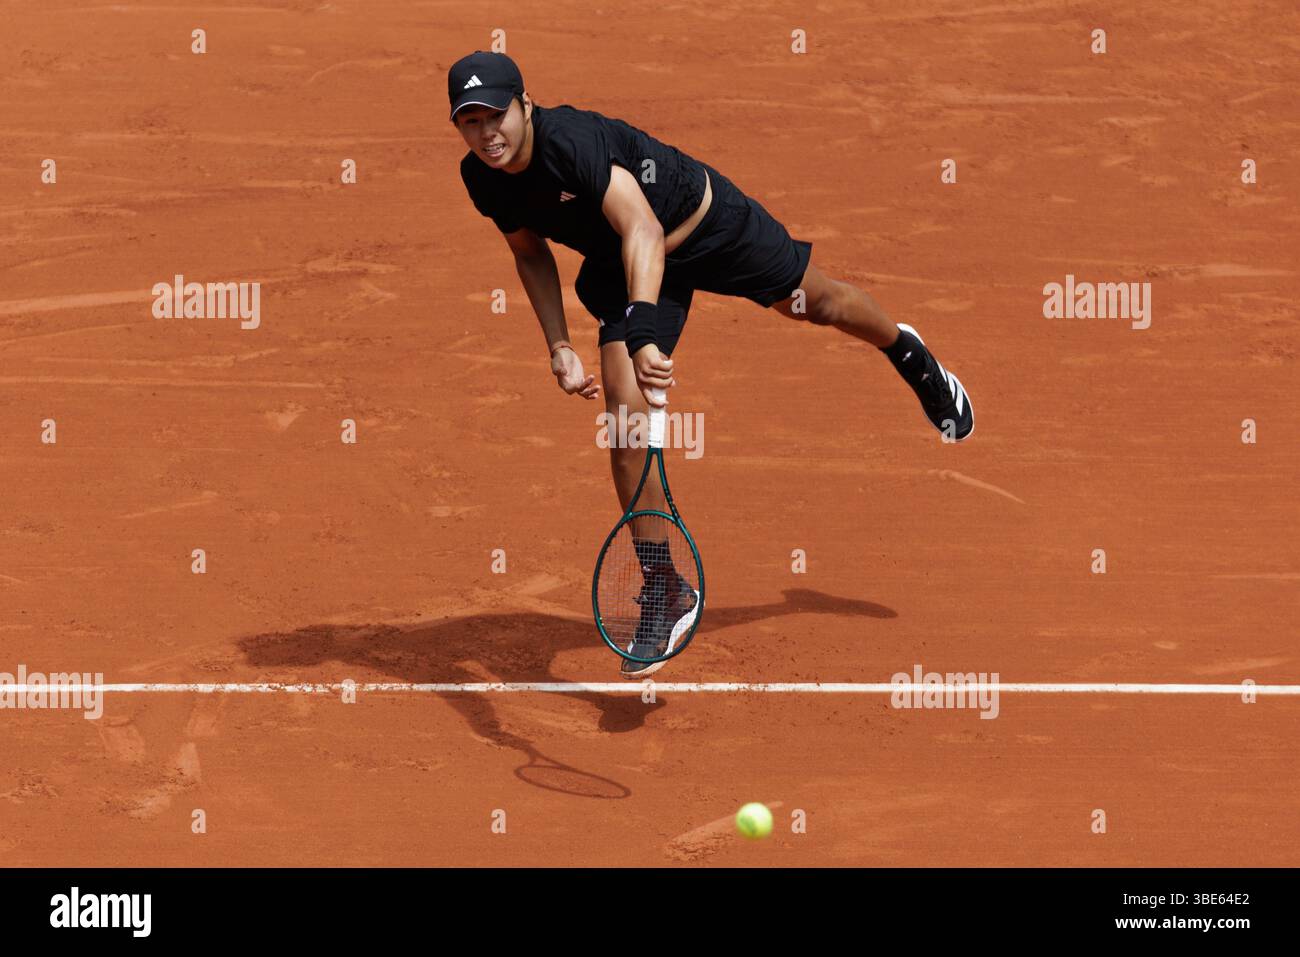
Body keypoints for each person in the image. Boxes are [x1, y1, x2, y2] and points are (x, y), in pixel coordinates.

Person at [450, 51, 974, 677]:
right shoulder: (483, 176)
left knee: (817, 303)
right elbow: (529, 251)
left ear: (525, 106)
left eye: (497, 116)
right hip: (628, 265)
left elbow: (641, 225)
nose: (487, 134)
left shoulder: (572, 143)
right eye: (470, 121)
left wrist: (644, 332)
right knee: (625, 419)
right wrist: (558, 343)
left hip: (706, 227)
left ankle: (905, 350)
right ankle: (664, 587)